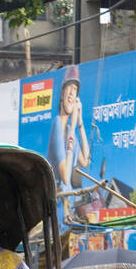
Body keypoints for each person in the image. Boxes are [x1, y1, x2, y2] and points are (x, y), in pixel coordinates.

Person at [47, 65, 90, 193]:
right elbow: (65, 176)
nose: (72, 93)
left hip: (67, 205)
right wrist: (73, 125)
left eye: (75, 89)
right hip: (57, 205)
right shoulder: (57, 124)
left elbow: (85, 161)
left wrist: (80, 122)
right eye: (69, 88)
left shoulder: (69, 128)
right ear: (62, 93)